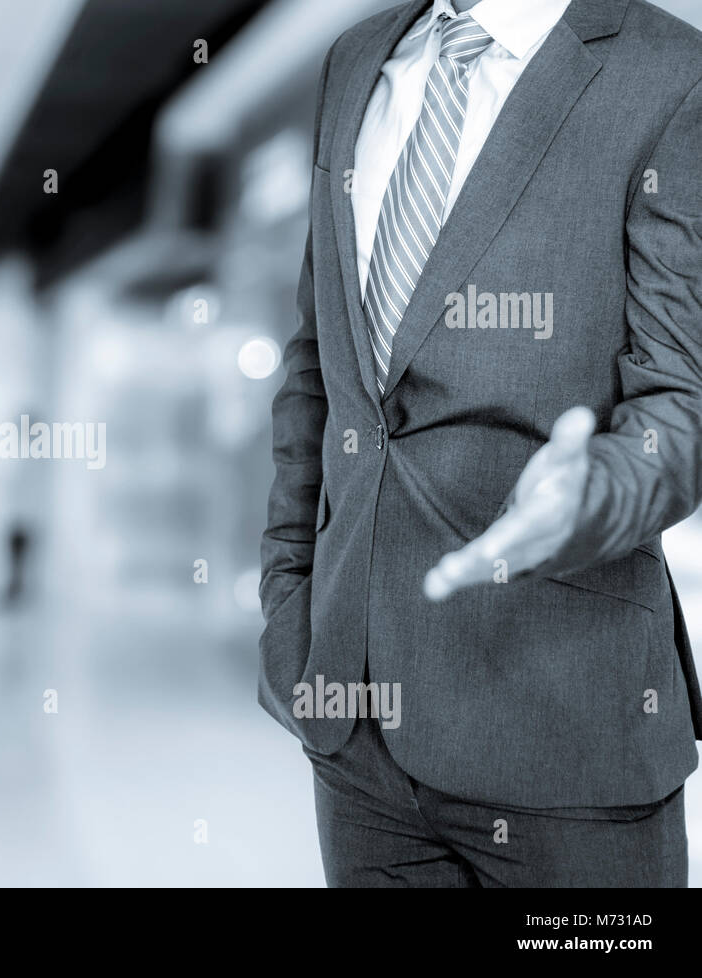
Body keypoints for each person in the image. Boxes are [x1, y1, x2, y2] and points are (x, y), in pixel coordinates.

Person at [258, 0, 702, 886]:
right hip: (355, 734)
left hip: (562, 732)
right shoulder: (355, 61)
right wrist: (288, 601)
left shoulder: (670, 73)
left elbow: (682, 400)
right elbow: (317, 368)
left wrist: (591, 496)